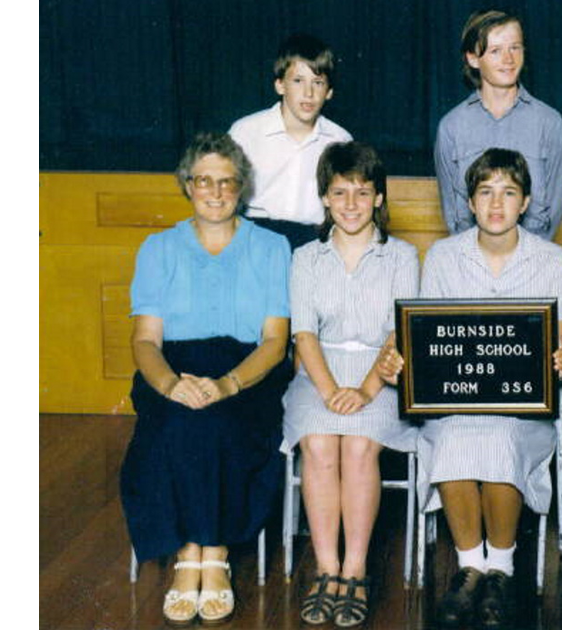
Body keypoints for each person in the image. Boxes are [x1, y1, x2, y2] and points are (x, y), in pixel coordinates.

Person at [379, 149, 562, 629]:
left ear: (526, 201)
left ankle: (502, 570)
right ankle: (470, 566)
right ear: (469, 202)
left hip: (523, 409)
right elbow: (426, 336)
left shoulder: (553, 260)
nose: (496, 204)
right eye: (485, 192)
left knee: (500, 438)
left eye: (508, 192)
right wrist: (398, 358)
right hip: (455, 403)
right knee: (452, 438)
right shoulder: (444, 257)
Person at [119, 132, 292, 626]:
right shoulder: (158, 248)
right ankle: (191, 554)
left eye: (227, 182)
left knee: (216, 425)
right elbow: (145, 341)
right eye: (204, 181)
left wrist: (229, 384)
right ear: (187, 186)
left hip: (247, 370)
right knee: (177, 424)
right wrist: (172, 384)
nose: (215, 192)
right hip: (171, 367)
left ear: (242, 188)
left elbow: (275, 342)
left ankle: (207, 554)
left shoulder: (271, 247)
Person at [282, 142, 420, 627]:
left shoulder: (402, 256)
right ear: (324, 198)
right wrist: (327, 391)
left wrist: (364, 389)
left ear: (380, 198)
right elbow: (303, 334)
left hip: (380, 374)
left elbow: (398, 332)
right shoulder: (305, 258)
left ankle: (356, 570)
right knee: (318, 443)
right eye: (340, 192)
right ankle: (326, 569)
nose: (351, 204)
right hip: (317, 372)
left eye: (363, 192)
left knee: (360, 445)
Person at [434, 9, 562, 239]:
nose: (509, 60)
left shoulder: (549, 122)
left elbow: (555, 208)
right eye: (496, 51)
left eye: (515, 47)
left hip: (533, 260)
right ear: (472, 58)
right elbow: (453, 214)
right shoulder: (451, 126)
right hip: (471, 263)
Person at [229, 33, 352, 251]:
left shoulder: (340, 140)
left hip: (315, 241)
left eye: (318, 82)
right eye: (298, 81)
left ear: (329, 92)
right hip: (255, 238)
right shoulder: (245, 133)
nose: (308, 93)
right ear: (280, 85)